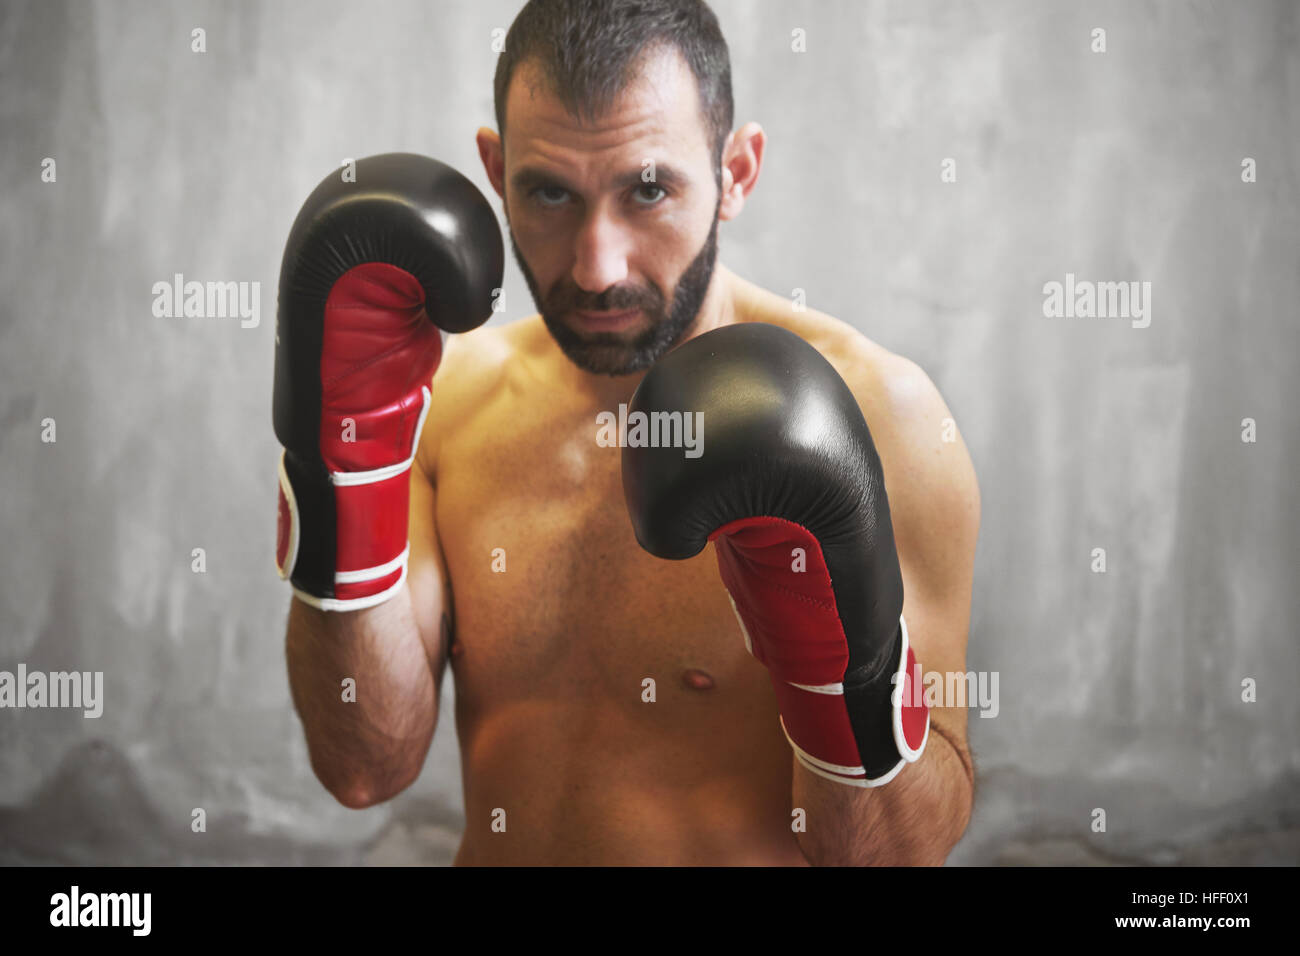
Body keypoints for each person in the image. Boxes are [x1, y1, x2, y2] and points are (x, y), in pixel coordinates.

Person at [275, 0, 979, 866]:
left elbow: (899, 855)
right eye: (549, 193)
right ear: (495, 172)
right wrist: (340, 469)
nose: (595, 266)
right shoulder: (444, 404)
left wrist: (847, 684)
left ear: (738, 172)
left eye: (648, 189)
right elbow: (363, 767)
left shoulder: (882, 415)